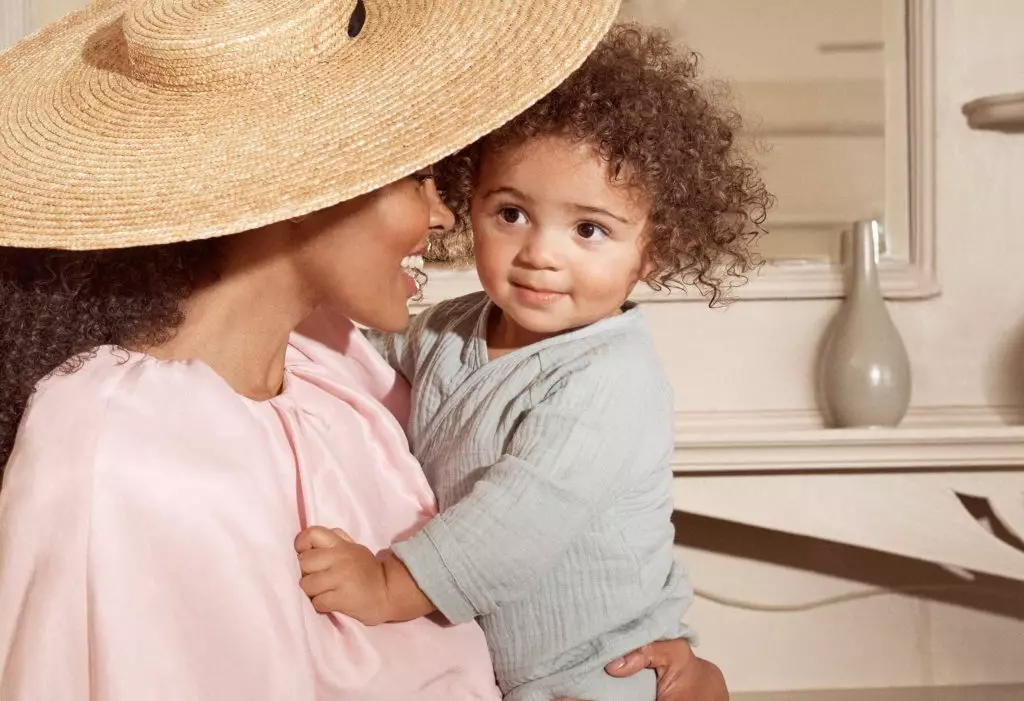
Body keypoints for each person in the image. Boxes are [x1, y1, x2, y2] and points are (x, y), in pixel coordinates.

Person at [0, 1, 727, 699]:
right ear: (309, 187)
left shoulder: (339, 370)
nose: (441, 214)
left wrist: (389, 583)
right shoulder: (130, 448)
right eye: (420, 177)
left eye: (590, 230)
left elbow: (530, 520)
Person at [294, 23, 770, 701]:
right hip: (503, 669)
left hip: (607, 667)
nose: (541, 253)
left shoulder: (608, 381)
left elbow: (512, 524)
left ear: (652, 253)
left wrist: (386, 583)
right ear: (469, 206)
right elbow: (358, 356)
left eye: (588, 229)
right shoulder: (454, 329)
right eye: (512, 213)